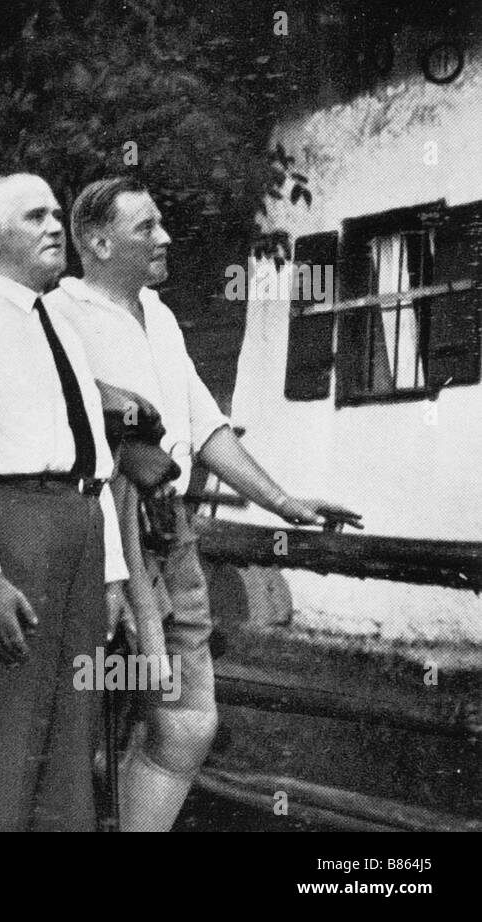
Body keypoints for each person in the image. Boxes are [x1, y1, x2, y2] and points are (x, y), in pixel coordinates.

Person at [52, 175, 362, 831]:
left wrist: (281, 501)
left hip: (173, 530)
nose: (165, 237)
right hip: (105, 536)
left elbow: (205, 423)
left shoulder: (158, 315)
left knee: (189, 721)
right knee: (87, 722)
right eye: (147, 228)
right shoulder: (59, 318)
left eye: (162, 222)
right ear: (98, 242)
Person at [0, 173, 129, 832]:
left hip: (81, 530)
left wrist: (114, 572)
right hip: (12, 531)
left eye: (55, 213)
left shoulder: (63, 320)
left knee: (72, 737)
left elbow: (94, 454)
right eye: (34, 215)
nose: (52, 226)